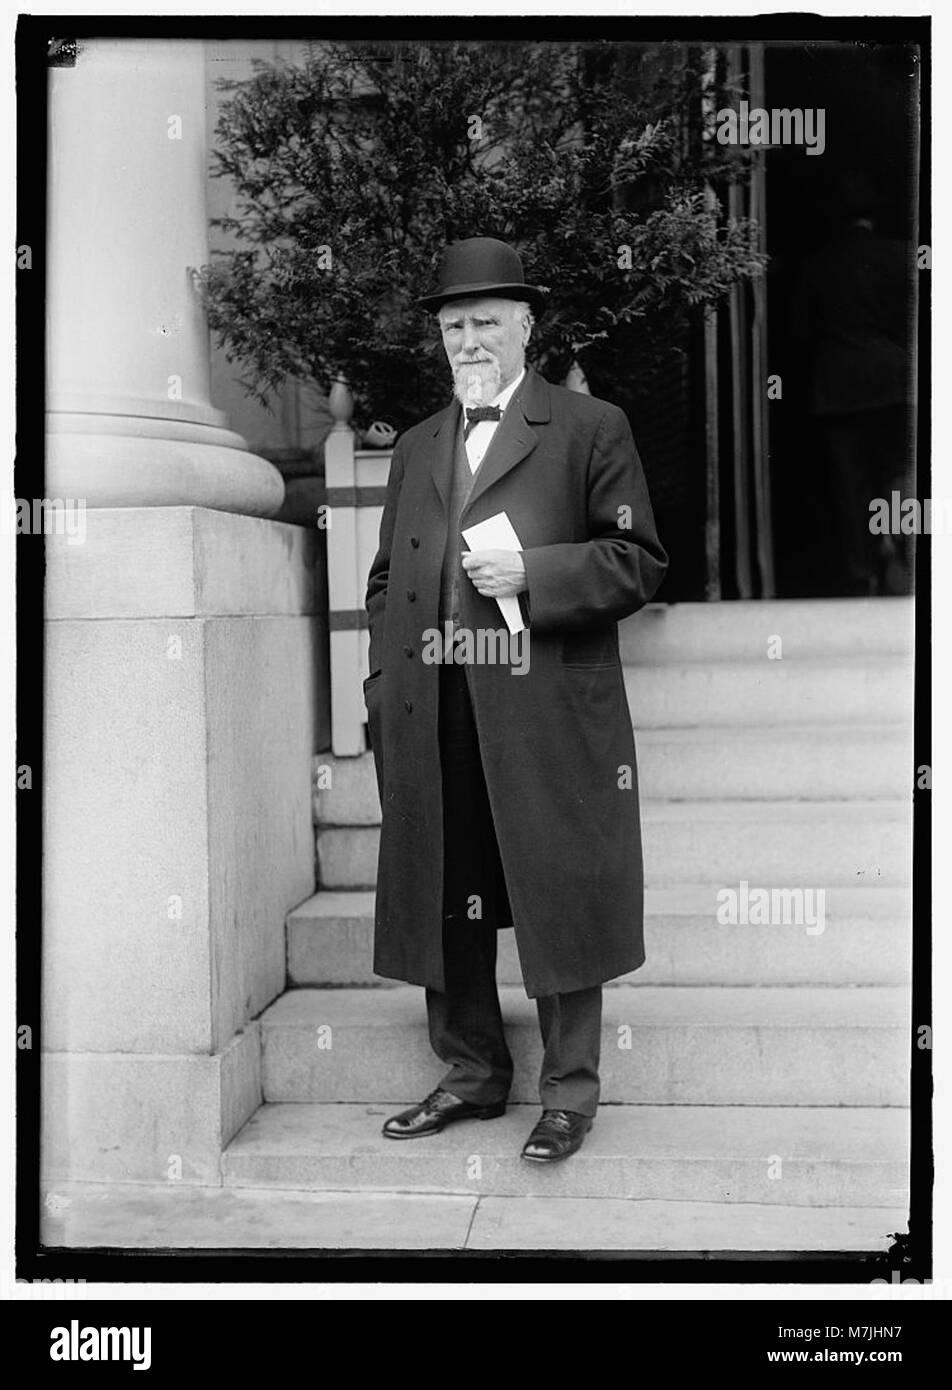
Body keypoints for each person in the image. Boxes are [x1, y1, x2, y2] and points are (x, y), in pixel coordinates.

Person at [363, 237, 668, 1162]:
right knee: (444, 886)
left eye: (486, 321)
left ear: (526, 326)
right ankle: (470, 1074)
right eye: (454, 324)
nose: (468, 339)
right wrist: (388, 672)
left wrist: (532, 572)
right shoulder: (417, 447)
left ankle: (569, 1094)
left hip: (542, 708)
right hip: (434, 707)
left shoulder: (589, 426)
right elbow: (386, 579)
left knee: (559, 886)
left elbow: (638, 561)